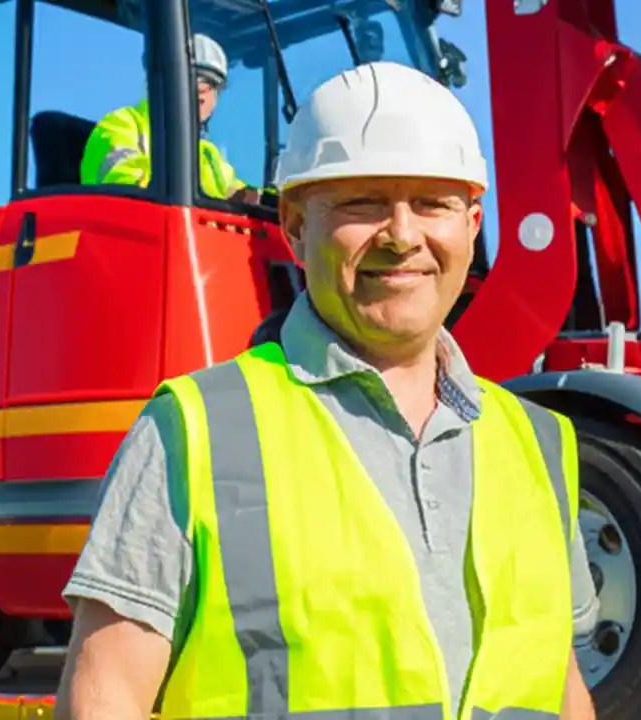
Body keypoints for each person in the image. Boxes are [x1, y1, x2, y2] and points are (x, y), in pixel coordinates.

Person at [55, 61, 600, 720]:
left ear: (473, 224)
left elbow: (560, 684)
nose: (403, 236)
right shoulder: (196, 431)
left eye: (432, 203)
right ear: (293, 225)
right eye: (362, 202)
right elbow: (105, 693)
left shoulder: (539, 444)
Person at [79, 33, 254, 202]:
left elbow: (239, 193)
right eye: (195, 77)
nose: (203, 92)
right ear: (164, 80)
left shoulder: (208, 154)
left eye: (213, 84)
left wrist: (269, 199)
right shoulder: (121, 124)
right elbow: (124, 183)